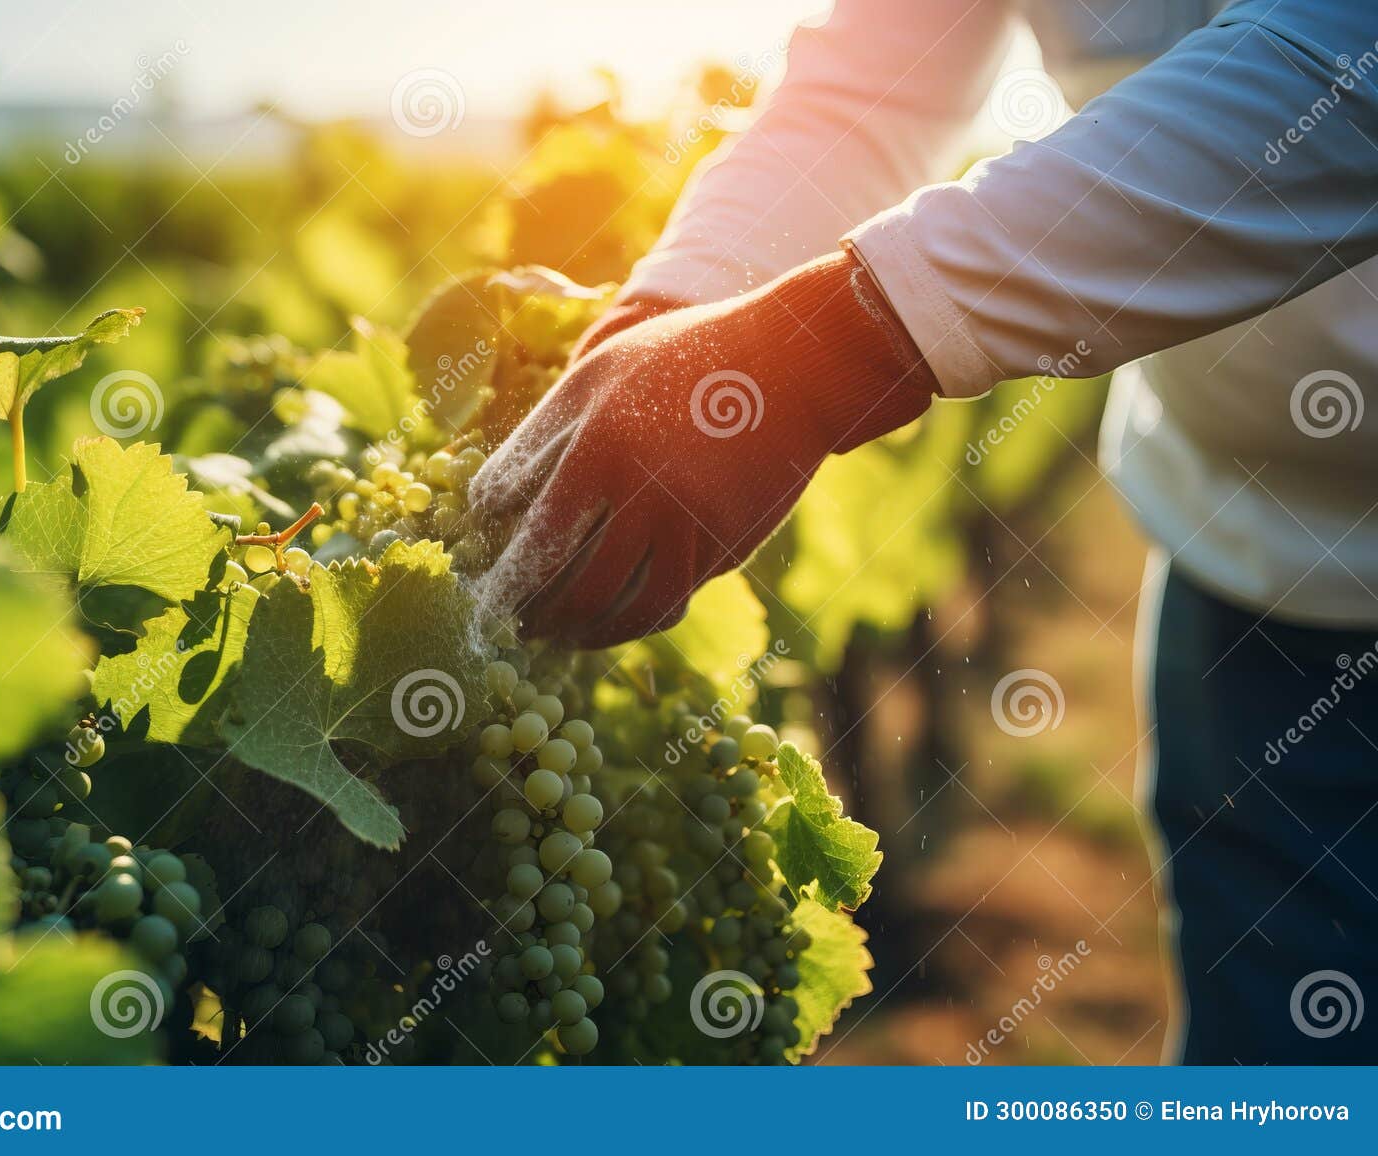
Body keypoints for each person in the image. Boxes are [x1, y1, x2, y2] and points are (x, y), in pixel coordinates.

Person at [471, 0, 1378, 1064]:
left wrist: (828, 347)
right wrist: (671, 312)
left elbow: (1344, 57)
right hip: (1239, 548)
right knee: (1273, 1056)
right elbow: (874, 83)